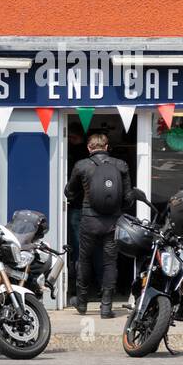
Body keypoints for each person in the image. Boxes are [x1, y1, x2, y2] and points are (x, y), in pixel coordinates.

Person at [64, 132, 132, 318]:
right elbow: (128, 198)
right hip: (112, 222)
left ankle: (82, 302)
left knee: (84, 259)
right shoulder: (121, 165)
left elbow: (69, 192)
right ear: (107, 146)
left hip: (89, 220)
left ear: (89, 148)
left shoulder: (82, 166)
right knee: (110, 261)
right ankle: (106, 307)